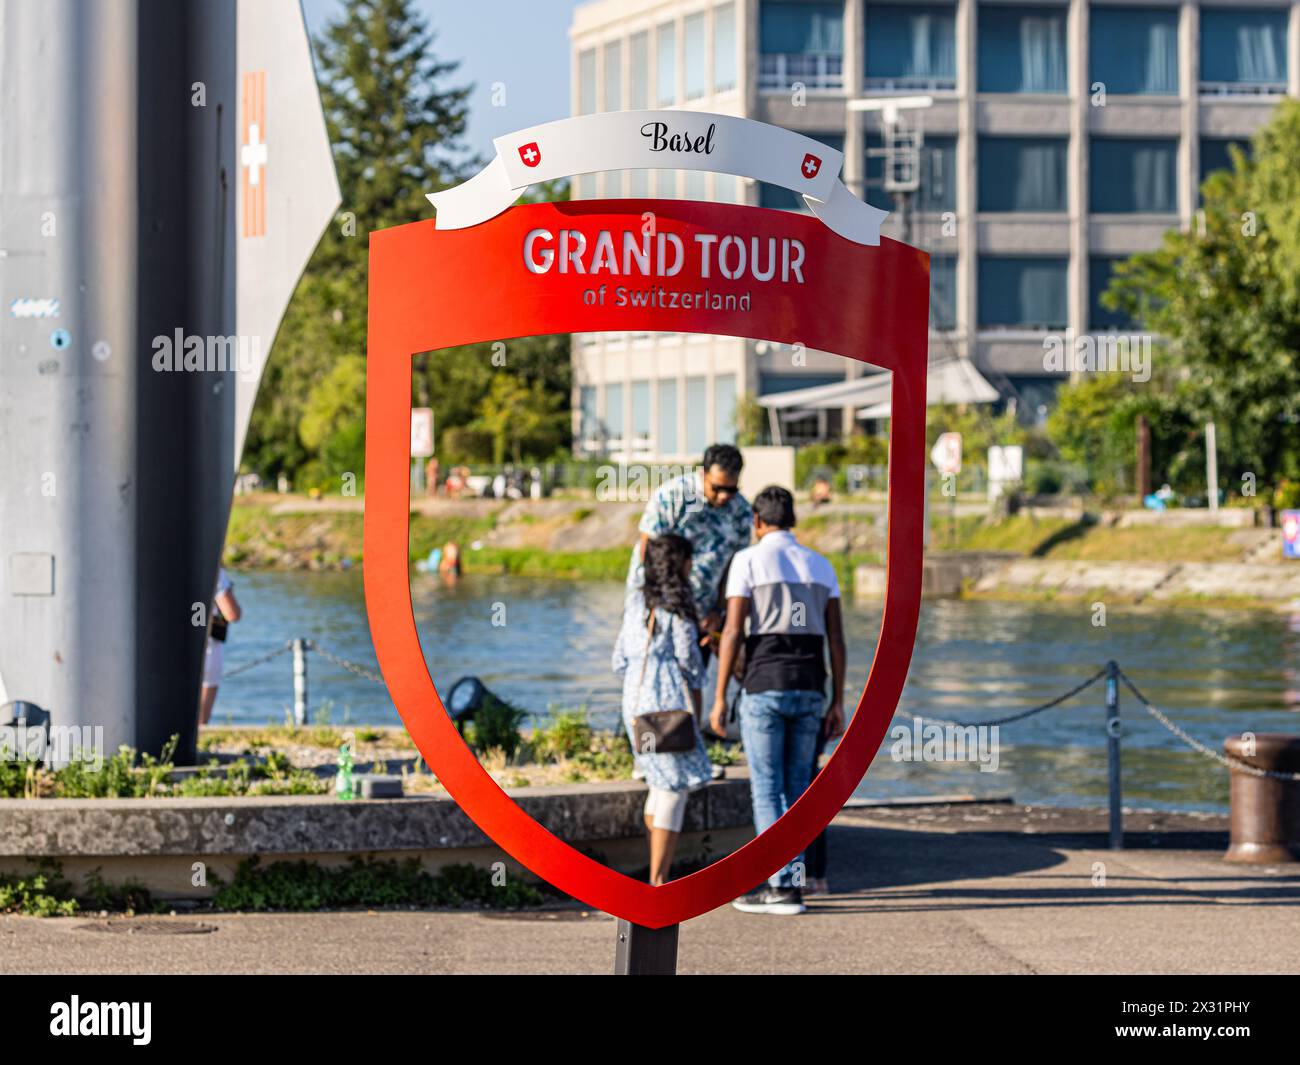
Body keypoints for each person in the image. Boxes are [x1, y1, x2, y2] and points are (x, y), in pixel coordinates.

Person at [710, 485, 846, 915]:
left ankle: (782, 887)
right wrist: (838, 700)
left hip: (764, 686)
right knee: (799, 791)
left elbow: (732, 632)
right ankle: (794, 881)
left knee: (767, 790)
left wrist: (717, 699)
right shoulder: (821, 566)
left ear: (756, 521)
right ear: (793, 520)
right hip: (811, 688)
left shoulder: (747, 561)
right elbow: (837, 640)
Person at [613, 534, 714, 886]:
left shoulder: (634, 604)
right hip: (668, 705)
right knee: (674, 788)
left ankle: (655, 871)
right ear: (678, 565)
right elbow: (691, 665)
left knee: (659, 783)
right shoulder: (678, 608)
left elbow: (619, 659)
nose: (692, 566)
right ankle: (659, 880)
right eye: (688, 560)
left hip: (635, 705)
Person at [627, 444, 752, 672]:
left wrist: (718, 611)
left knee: (694, 677)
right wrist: (657, 604)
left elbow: (736, 568)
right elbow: (648, 550)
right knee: (655, 676)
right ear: (702, 473)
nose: (724, 496)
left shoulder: (741, 510)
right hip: (660, 606)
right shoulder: (673, 496)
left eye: (731, 489)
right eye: (717, 488)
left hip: (702, 613)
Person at [199, 567, 242, 726]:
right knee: (200, 721)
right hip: (209, 649)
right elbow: (233, 614)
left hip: (179, 646)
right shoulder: (214, 572)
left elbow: (196, 618)